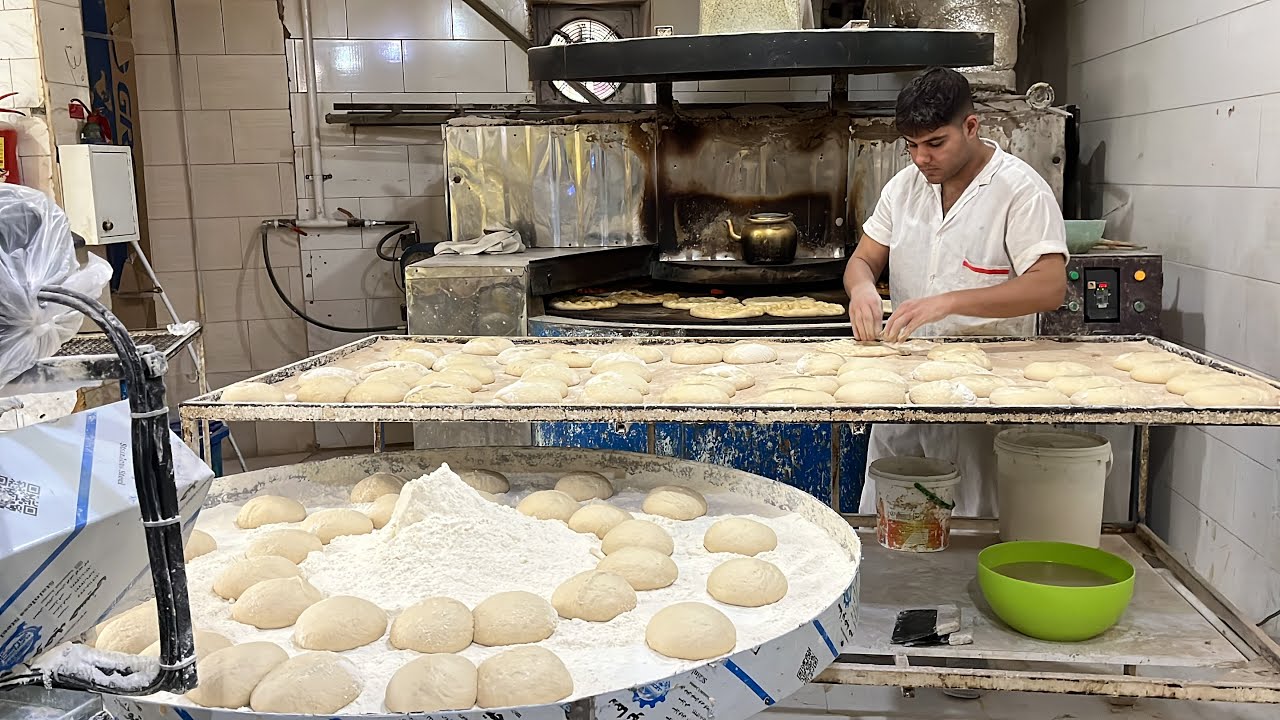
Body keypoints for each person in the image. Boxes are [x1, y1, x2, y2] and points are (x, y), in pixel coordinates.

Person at [844, 67, 1068, 518]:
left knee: (971, 520)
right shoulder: (904, 188)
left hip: (982, 393)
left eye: (935, 144)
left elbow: (1049, 286)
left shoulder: (1019, 190)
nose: (921, 158)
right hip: (904, 384)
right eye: (911, 146)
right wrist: (862, 288)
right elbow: (863, 260)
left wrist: (948, 302)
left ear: (971, 126)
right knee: (890, 515)